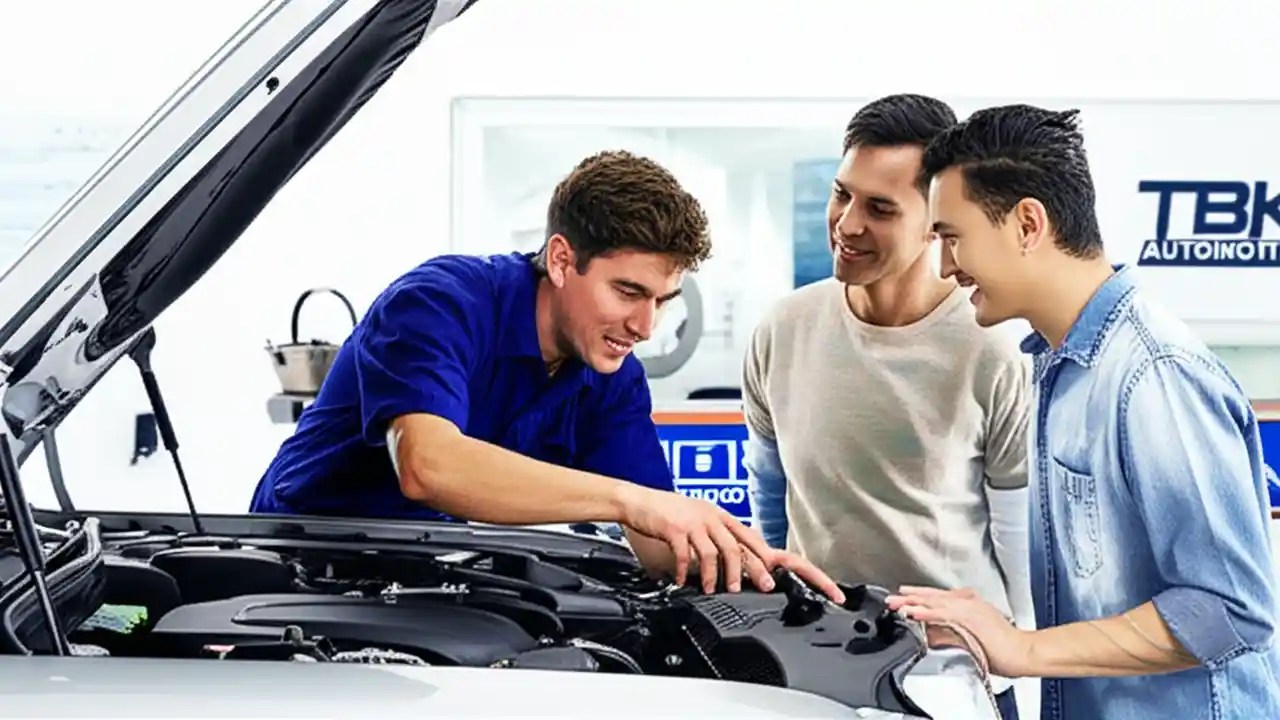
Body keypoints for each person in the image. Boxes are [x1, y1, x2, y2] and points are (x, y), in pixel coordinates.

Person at [249, 149, 844, 602]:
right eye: (628, 292)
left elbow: (659, 543)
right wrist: (627, 501)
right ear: (562, 260)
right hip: (294, 571)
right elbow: (428, 467)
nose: (645, 325)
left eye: (664, 300)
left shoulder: (611, 378)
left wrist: (755, 563)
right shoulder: (439, 303)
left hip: (420, 582)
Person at [889, 103, 1280, 719]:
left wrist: (1023, 648)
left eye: (952, 237)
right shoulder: (1060, 365)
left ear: (1026, 224)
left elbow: (1228, 609)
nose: (944, 266)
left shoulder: (1153, 374)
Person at [741, 94, 1032, 719]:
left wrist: (1011, 661)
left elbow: (1019, 549)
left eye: (879, 208)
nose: (847, 224)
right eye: (842, 194)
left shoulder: (991, 350)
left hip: (952, 677)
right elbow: (773, 498)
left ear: (935, 220)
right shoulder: (782, 329)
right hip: (814, 666)